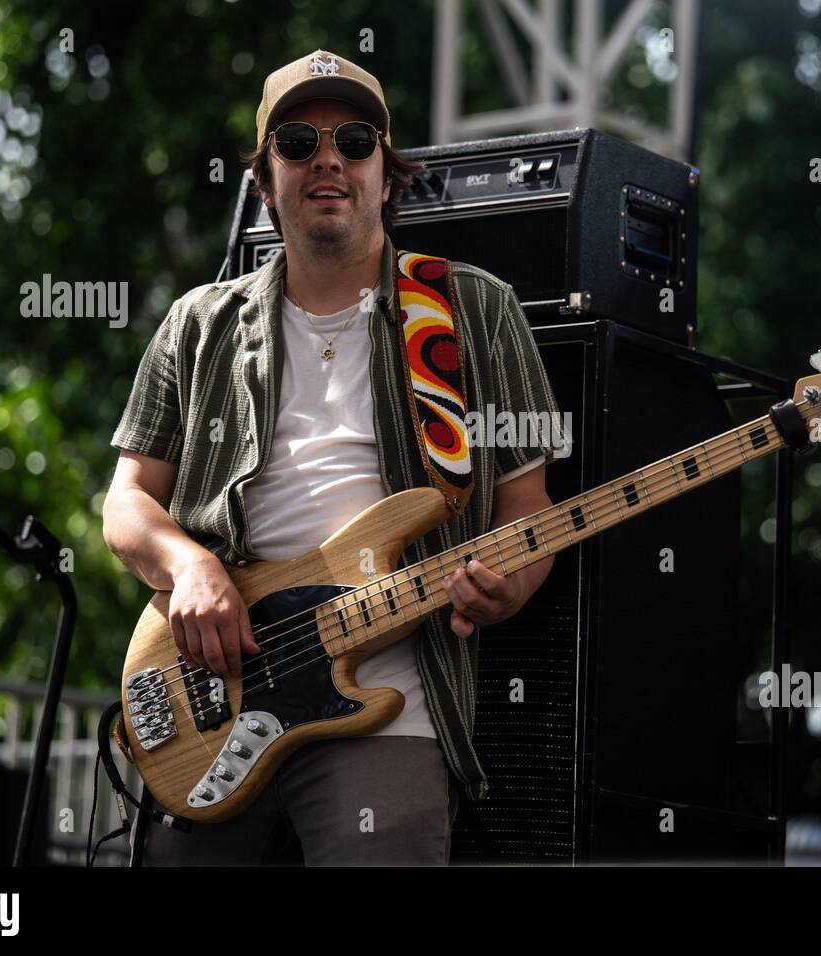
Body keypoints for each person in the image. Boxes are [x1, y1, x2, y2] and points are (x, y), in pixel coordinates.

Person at [102, 49, 564, 865]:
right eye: (297, 143)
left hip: (391, 706)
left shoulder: (473, 309)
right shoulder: (198, 324)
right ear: (263, 180)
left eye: (354, 142)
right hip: (210, 691)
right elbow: (127, 502)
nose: (328, 160)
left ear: (386, 176)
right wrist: (191, 568)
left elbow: (528, 510)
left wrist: (510, 588)